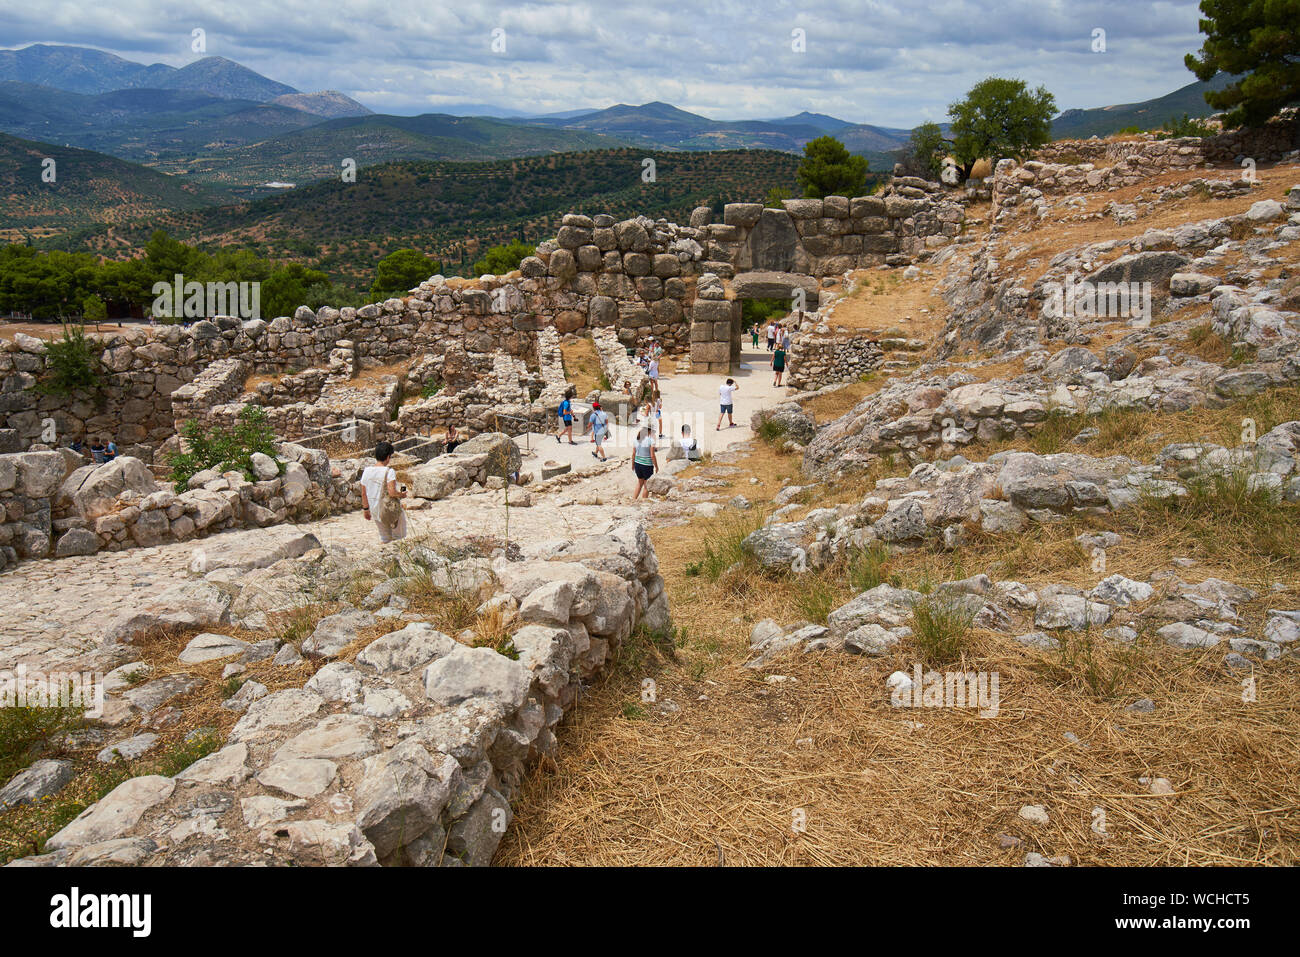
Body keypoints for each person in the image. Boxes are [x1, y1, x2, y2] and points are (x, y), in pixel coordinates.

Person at [359, 441, 408, 543]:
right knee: (399, 537)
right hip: (389, 509)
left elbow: (363, 493)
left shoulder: (366, 471)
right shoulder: (389, 471)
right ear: (388, 457)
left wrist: (366, 509)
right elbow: (392, 492)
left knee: (385, 538)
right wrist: (401, 495)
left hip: (375, 510)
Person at [632, 426, 658, 500]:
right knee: (647, 485)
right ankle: (644, 501)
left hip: (637, 463)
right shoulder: (651, 441)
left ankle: (634, 499)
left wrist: (633, 465)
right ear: (648, 432)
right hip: (647, 465)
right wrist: (656, 466)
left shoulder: (636, 440)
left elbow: (633, 454)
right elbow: (652, 455)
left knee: (640, 483)